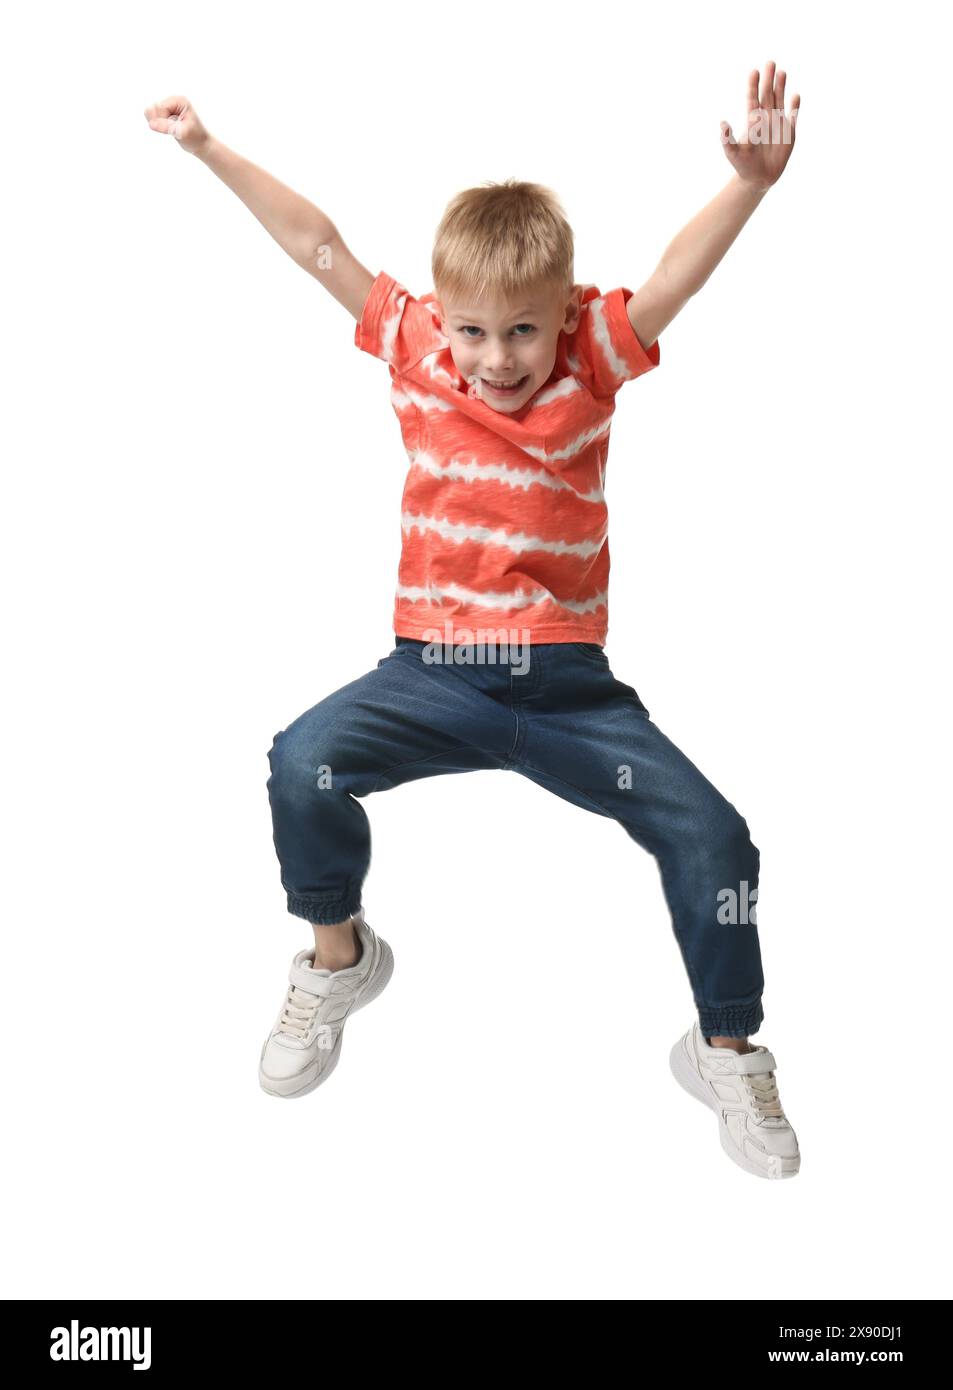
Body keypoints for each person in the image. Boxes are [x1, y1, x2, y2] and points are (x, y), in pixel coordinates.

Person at [144, 61, 802, 1179]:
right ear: (439, 321)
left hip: (566, 692)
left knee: (713, 836)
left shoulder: (592, 359)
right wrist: (210, 149)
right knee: (302, 760)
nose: (494, 360)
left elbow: (670, 283)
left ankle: (726, 1046)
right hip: (433, 677)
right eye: (472, 332)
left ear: (563, 317)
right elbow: (316, 242)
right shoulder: (410, 345)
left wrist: (747, 185)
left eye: (520, 334)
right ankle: (337, 958)